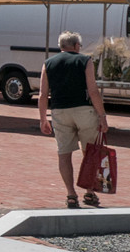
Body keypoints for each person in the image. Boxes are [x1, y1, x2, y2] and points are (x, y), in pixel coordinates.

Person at [38, 31, 109, 209]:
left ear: (61, 46)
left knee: (64, 154)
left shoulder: (48, 63)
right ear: (77, 46)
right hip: (84, 110)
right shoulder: (85, 60)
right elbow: (93, 91)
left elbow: (43, 94)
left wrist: (43, 119)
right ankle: (89, 192)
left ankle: (71, 194)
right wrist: (102, 116)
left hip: (59, 111)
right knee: (90, 152)